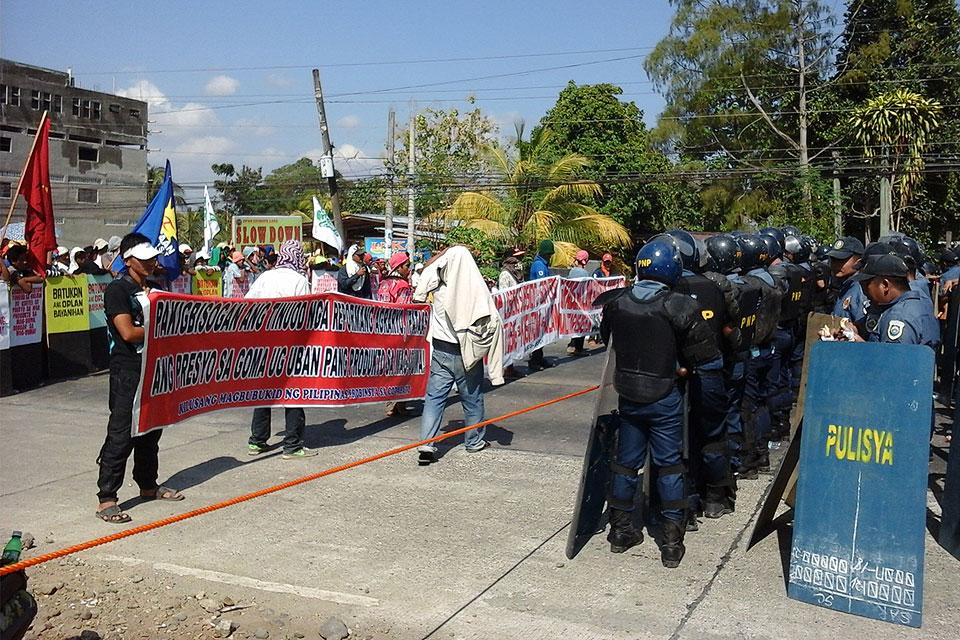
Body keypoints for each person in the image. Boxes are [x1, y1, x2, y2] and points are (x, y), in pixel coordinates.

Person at [599, 239, 720, 567]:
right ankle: (670, 542)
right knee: (669, 466)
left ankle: (620, 532)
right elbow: (706, 356)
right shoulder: (679, 305)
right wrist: (683, 365)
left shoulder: (616, 302)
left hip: (628, 395)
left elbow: (606, 338)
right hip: (665, 396)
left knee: (626, 463)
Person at [96, 233, 184, 524]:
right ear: (128, 260)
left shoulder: (157, 289)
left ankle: (148, 485)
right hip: (128, 371)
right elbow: (128, 332)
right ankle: (107, 498)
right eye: (144, 259)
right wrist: (164, 329)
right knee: (122, 434)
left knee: (150, 430)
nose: (151, 263)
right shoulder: (117, 291)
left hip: (154, 369)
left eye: (152, 258)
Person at [663, 230, 732, 524]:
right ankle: (716, 497)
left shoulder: (666, 293)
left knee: (678, 442)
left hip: (677, 375)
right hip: (711, 372)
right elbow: (730, 330)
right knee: (712, 435)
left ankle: (685, 508)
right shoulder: (716, 287)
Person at [413, 246, 505, 464]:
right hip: (467, 352)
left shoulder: (438, 288)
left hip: (441, 349)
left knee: (435, 398)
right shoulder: (475, 290)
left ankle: (427, 444)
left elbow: (427, 270)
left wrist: (443, 254)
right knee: (472, 398)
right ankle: (474, 442)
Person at [245, 240, 316, 458]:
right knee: (293, 393)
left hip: (263, 342)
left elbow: (246, 305)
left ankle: (257, 441)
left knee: (263, 392)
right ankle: (292, 445)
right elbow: (306, 315)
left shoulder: (266, 276)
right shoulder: (299, 280)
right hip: (289, 343)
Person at [848, 254, 940, 350]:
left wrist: (859, 344)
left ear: (885, 285)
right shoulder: (917, 303)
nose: (864, 292)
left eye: (866, 286)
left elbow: (891, 361)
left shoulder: (898, 317)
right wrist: (854, 329)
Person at [527, 239, 555, 371]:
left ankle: (539, 357)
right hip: (537, 305)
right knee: (537, 332)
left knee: (542, 332)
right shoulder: (539, 266)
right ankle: (535, 360)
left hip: (542, 304)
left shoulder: (543, 265)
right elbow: (541, 285)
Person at [566, 249, 591, 356]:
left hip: (572, 303)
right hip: (581, 303)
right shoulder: (584, 273)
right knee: (581, 325)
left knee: (574, 325)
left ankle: (572, 344)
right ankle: (578, 349)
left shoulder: (571, 272)